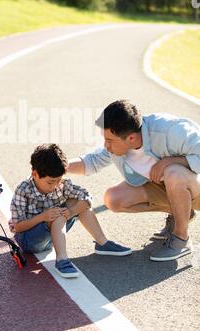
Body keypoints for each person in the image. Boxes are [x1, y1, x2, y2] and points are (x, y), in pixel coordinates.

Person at [67, 99, 200, 262]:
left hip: (194, 186)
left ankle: (181, 238)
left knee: (173, 172)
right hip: (170, 187)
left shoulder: (171, 131)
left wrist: (170, 161)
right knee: (113, 198)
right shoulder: (119, 142)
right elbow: (93, 161)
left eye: (110, 141)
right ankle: (180, 214)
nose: (106, 146)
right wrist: (59, 167)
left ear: (131, 138)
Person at [9, 143, 132, 279]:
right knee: (58, 214)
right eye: (50, 182)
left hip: (52, 235)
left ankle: (102, 243)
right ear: (35, 174)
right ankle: (62, 260)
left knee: (78, 203)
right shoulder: (23, 190)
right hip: (29, 240)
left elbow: (86, 197)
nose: (55, 185)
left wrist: (72, 211)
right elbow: (18, 226)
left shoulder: (62, 184)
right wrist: (43, 217)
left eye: (58, 180)